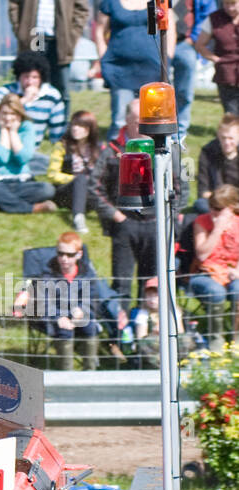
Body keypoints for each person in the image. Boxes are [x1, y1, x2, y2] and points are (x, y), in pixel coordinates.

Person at [91, 99, 179, 304]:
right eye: (140, 119)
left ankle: (145, 324)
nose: (144, 125)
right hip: (124, 224)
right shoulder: (113, 151)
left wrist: (169, 216)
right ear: (128, 120)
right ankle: (120, 328)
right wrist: (115, 215)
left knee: (151, 283)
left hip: (155, 223)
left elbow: (180, 187)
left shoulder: (164, 150)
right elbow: (93, 187)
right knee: (121, 280)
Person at [12, 231, 123, 370]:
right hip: (52, 317)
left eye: (70, 255)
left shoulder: (87, 274)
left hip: (80, 316)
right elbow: (43, 303)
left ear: (79, 254)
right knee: (64, 330)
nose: (64, 258)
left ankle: (90, 372)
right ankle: (66, 374)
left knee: (90, 326)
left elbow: (93, 299)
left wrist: (81, 311)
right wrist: (58, 317)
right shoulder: (47, 275)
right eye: (60, 253)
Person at [96, 0, 174, 138]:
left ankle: (154, 157)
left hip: (152, 68)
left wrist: (168, 57)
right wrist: (103, 57)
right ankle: (116, 157)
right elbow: (100, 30)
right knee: (120, 120)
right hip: (119, 69)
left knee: (154, 121)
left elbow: (170, 27)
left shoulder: (159, 1)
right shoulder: (110, 3)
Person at [0, 93, 57, 215]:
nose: (8, 118)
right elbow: (1, 158)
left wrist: (13, 133)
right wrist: (4, 130)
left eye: (12, 114)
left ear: (20, 115)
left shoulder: (27, 127)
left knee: (47, 189)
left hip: (22, 181)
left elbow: (23, 158)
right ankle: (33, 208)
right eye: (4, 113)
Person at [7, 0, 91, 111]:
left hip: (59, 38)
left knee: (61, 86)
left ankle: (61, 124)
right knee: (31, 82)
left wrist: (72, 35)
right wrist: (20, 31)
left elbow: (82, 9)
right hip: (37, 37)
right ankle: (30, 120)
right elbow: (14, 4)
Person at [189, 183, 239, 349]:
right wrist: (217, 229)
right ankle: (216, 339)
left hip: (233, 273)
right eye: (211, 207)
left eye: (218, 208)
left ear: (231, 207)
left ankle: (236, 340)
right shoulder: (202, 222)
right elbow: (202, 254)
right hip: (205, 273)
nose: (213, 212)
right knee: (216, 291)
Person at [0, 51, 68, 151]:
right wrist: (23, 100)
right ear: (19, 76)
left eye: (34, 77)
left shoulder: (52, 95)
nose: (30, 82)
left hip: (30, 151)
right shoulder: (6, 91)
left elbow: (58, 131)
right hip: (5, 148)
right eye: (26, 77)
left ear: (41, 78)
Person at [48, 110, 103, 232]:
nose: (75, 129)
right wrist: (75, 179)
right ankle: (78, 218)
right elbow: (52, 175)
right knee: (81, 178)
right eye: (73, 125)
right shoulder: (62, 146)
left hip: (90, 191)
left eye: (81, 126)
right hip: (66, 191)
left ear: (90, 129)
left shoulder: (97, 148)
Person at [173, 0, 216, 142]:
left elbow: (208, 14)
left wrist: (193, 39)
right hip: (158, 44)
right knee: (156, 91)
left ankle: (179, 136)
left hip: (184, 44)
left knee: (184, 92)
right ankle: (155, 132)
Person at [198, 0, 239, 117]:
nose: (230, 8)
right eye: (227, 4)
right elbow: (200, 45)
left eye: (234, 4)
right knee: (232, 115)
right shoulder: (214, 18)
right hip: (226, 74)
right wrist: (216, 59)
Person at [197, 113, 239, 212]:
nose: (227, 143)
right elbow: (203, 192)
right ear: (218, 137)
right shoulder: (207, 152)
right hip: (215, 203)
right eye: (223, 138)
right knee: (200, 204)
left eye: (231, 138)